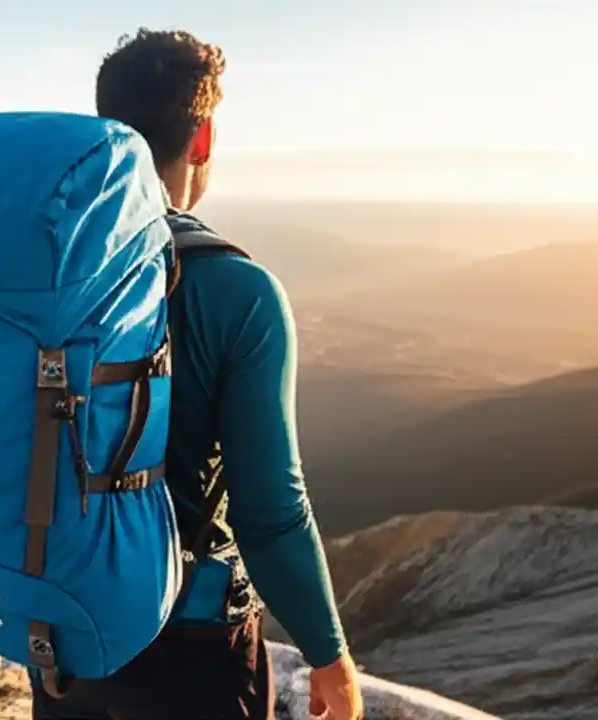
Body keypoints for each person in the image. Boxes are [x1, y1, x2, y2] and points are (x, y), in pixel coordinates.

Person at [28, 28, 365, 720]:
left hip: (63, 630)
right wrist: (330, 655)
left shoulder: (45, 272)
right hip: (192, 646)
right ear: (202, 139)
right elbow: (270, 513)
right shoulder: (238, 292)